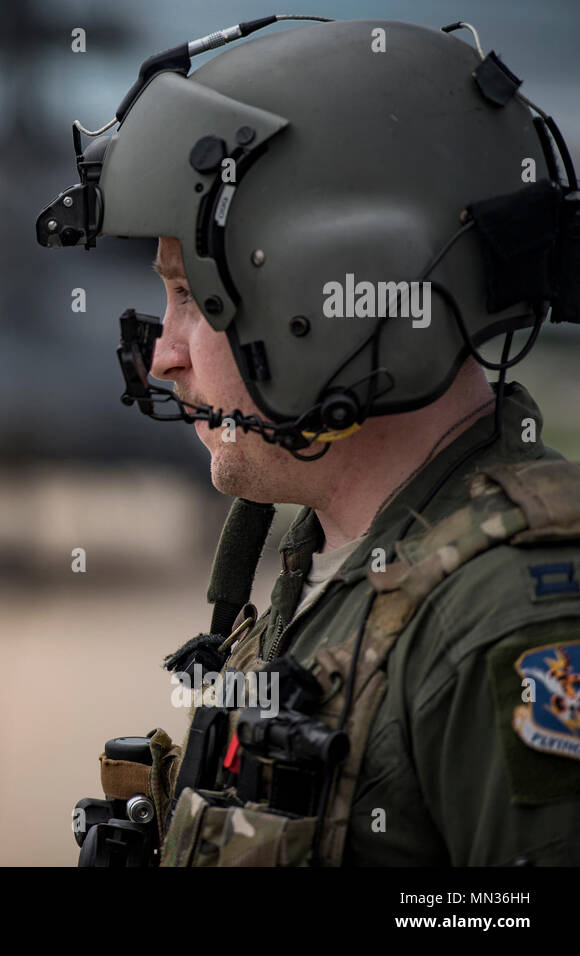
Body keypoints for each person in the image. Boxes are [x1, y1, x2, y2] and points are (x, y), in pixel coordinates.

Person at [37, 16, 580, 865]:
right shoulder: (332, 570)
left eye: (193, 297)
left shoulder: (514, 621)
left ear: (328, 306)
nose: (164, 357)